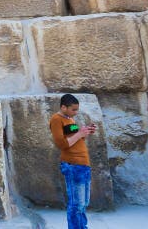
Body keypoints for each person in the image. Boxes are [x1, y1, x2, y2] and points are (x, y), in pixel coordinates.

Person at [49, 94, 96, 229]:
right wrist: (80, 134)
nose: (76, 112)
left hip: (83, 165)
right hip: (73, 165)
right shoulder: (56, 119)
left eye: (77, 109)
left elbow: (75, 139)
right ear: (63, 107)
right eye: (73, 109)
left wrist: (85, 132)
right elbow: (62, 144)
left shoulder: (69, 119)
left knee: (83, 203)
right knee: (76, 204)